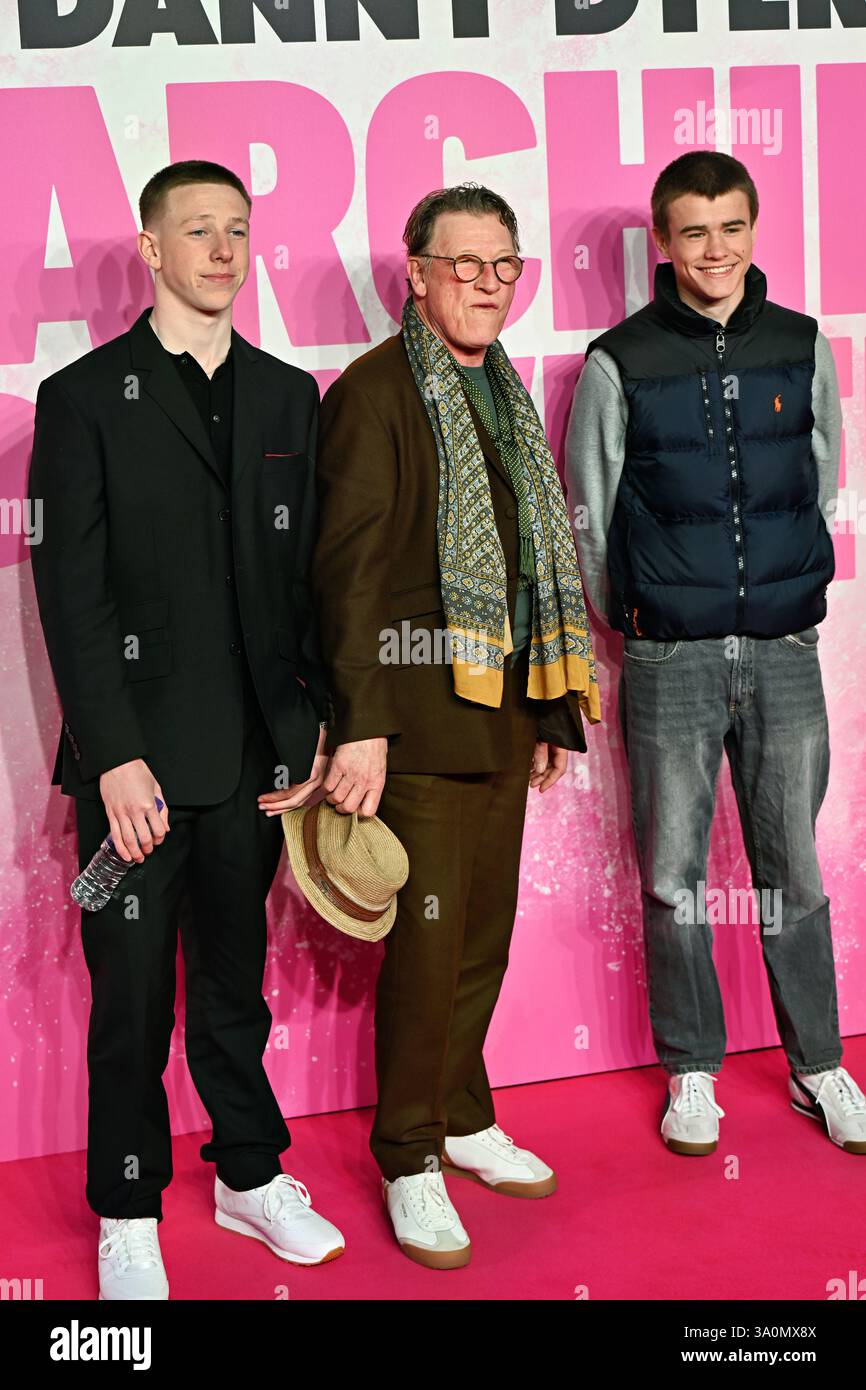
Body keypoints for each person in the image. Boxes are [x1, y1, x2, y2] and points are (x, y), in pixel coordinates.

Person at [27, 159, 345, 1300]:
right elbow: (72, 592)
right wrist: (112, 753)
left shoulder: (284, 394)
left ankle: (249, 1172)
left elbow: (304, 577)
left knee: (233, 985)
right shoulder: (81, 398)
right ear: (151, 250)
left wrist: (306, 723)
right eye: (196, 231)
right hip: (134, 772)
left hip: (253, 761)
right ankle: (125, 1205)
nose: (221, 249)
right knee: (128, 1002)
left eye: (237, 230)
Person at [312, 182, 601, 1268]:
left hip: (496, 714)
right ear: (415, 275)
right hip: (414, 725)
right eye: (463, 264)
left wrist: (546, 711)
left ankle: (464, 1112)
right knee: (427, 949)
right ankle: (408, 1156)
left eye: (501, 266)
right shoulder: (377, 392)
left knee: (481, 935)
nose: (485, 284)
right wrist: (361, 725)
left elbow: (532, 576)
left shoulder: (508, 394)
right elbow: (346, 578)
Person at [565, 150, 866, 1157]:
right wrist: (642, 618)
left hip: (784, 648)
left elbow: (819, 478)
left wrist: (776, 589)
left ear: (751, 228)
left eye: (728, 226)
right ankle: (691, 1069)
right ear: (661, 241)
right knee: (671, 877)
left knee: (795, 872)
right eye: (690, 230)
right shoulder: (618, 359)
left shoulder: (799, 344)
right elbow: (590, 512)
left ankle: (817, 1063)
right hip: (668, 662)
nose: (712, 248)